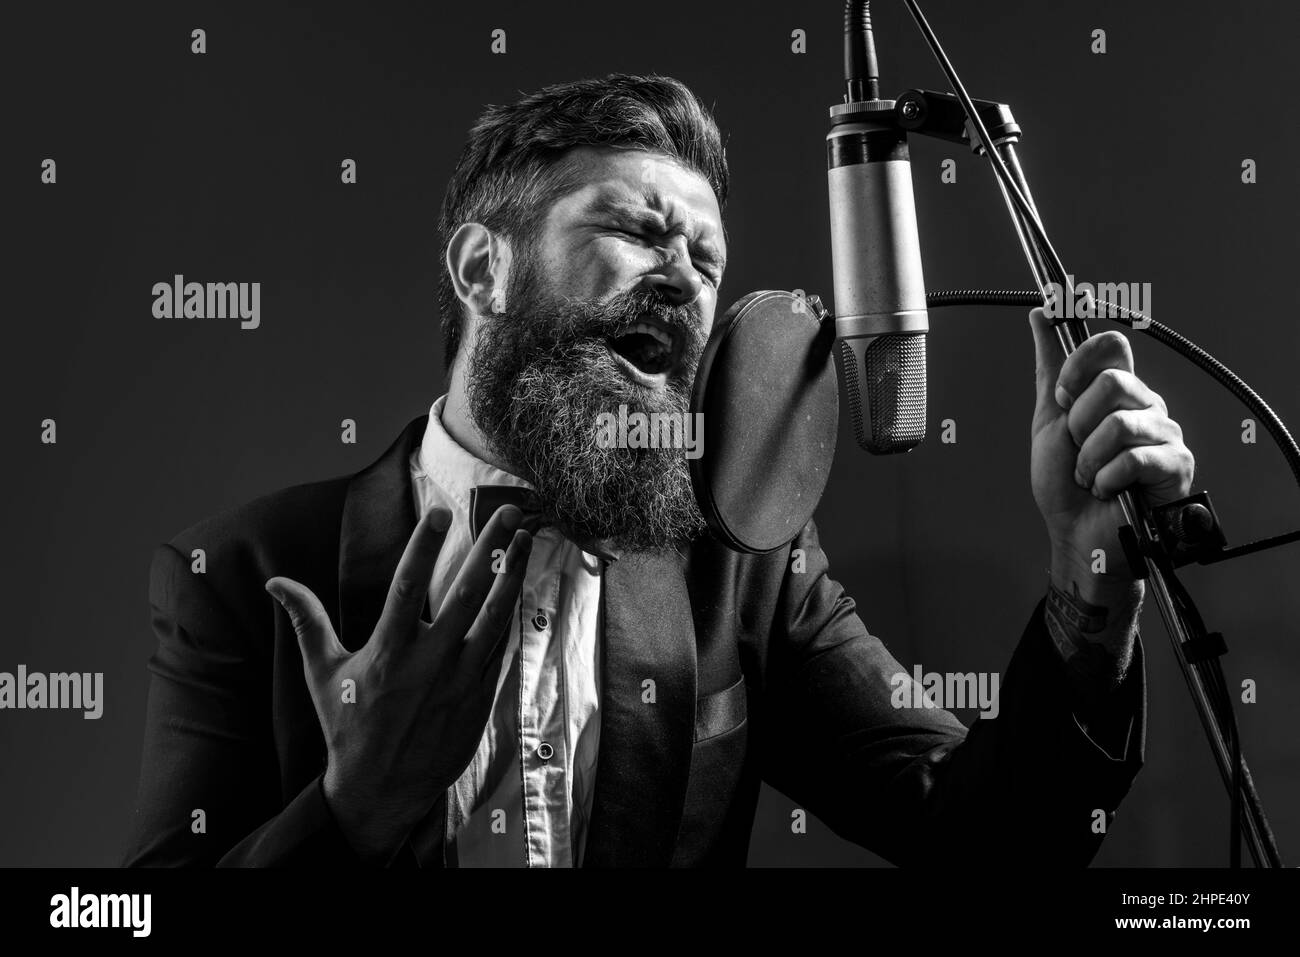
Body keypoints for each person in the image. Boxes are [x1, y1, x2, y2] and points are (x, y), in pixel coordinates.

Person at [122, 73, 1194, 868]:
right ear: (481, 267)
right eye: (638, 231)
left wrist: (1085, 591)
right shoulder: (243, 570)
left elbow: (989, 842)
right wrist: (353, 809)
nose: (684, 283)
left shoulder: (743, 572)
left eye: (708, 261)